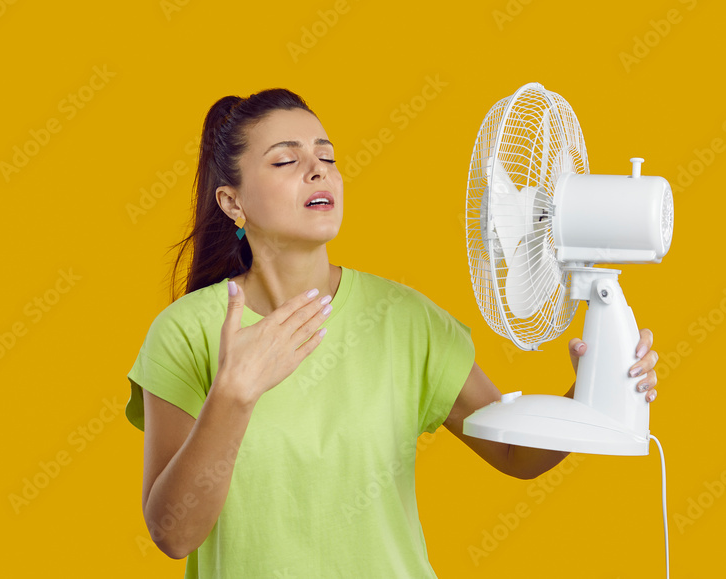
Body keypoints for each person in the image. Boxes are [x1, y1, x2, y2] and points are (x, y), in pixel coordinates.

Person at [124, 88, 660, 578]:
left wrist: (590, 392)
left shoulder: (404, 320)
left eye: (327, 157)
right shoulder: (187, 333)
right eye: (287, 160)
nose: (318, 171)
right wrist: (233, 396)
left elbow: (517, 458)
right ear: (232, 203)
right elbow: (174, 534)